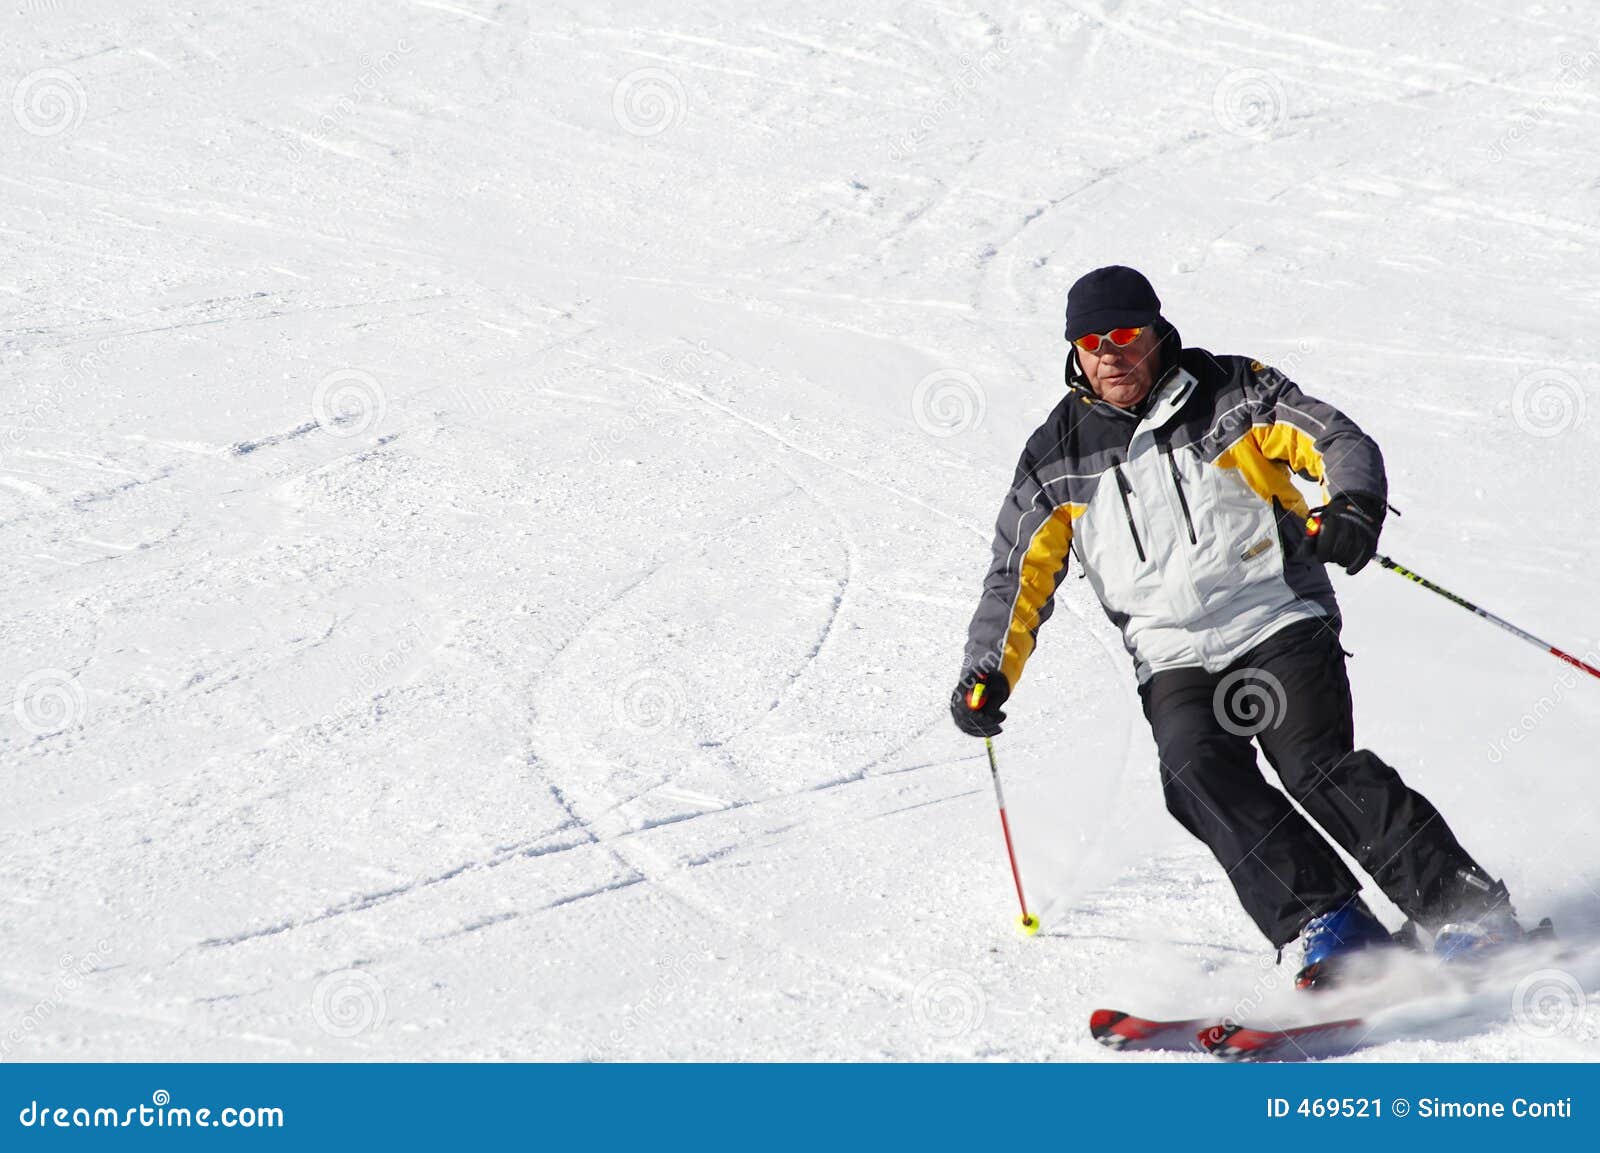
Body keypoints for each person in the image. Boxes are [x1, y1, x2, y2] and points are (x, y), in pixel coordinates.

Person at [951, 265, 1520, 988]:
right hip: (1172, 657)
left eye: (1123, 334)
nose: (1110, 355)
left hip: (1275, 616)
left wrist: (1352, 505)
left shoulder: (1233, 392)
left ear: (1155, 330)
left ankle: (1467, 910)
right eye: (1091, 343)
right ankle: (1332, 924)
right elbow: (1016, 575)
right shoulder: (1056, 456)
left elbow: (1335, 437)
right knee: (1195, 772)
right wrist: (987, 669)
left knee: (1312, 763)